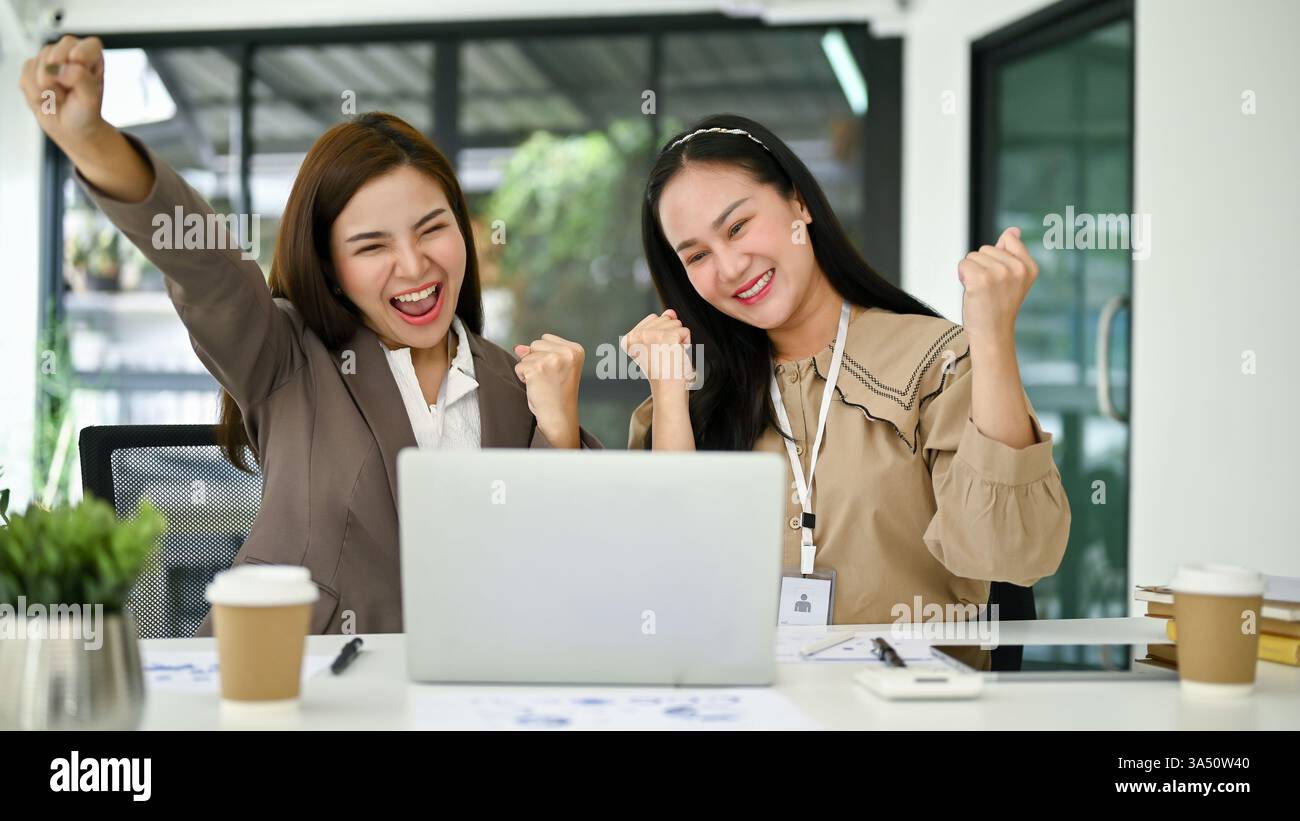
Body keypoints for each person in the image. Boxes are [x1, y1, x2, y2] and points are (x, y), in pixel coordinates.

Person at [20, 35, 600, 635]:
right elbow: (205, 267)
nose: (414, 265)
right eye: (372, 245)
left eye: (432, 229)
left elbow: (560, 575)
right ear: (329, 267)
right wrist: (91, 140)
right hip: (293, 688)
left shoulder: (519, 384)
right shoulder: (287, 356)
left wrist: (559, 429)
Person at [623, 115, 1070, 625]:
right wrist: (670, 392)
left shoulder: (938, 362)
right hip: (751, 701)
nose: (728, 268)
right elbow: (670, 590)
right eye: (697, 255)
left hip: (911, 701)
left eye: (738, 226)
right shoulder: (693, 395)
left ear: (800, 204)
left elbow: (1013, 556)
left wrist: (991, 338)